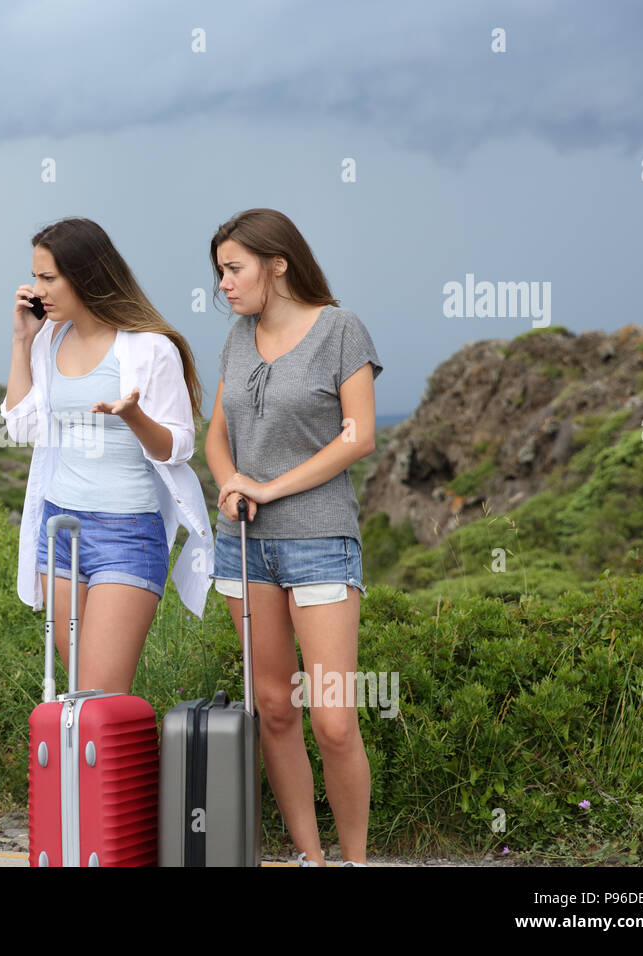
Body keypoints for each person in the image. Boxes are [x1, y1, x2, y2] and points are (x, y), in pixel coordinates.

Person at [205, 208, 383, 868]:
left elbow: (359, 436)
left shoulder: (339, 329)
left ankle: (355, 862)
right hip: (244, 545)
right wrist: (230, 482)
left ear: (277, 264)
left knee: (333, 718)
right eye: (220, 271)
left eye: (234, 268)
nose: (223, 283)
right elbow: (216, 436)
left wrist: (269, 488)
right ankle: (309, 857)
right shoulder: (236, 340)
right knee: (275, 710)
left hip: (318, 540)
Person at [0, 217, 212, 695]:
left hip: (126, 530)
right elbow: (20, 427)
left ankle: (136, 772)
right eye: (35, 277)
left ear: (86, 276)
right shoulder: (49, 340)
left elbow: (179, 446)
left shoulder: (150, 348)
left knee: (101, 696)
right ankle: (91, 774)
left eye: (49, 278)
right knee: (76, 693)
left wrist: (133, 416)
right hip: (59, 527)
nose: (37, 290)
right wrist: (21, 341)